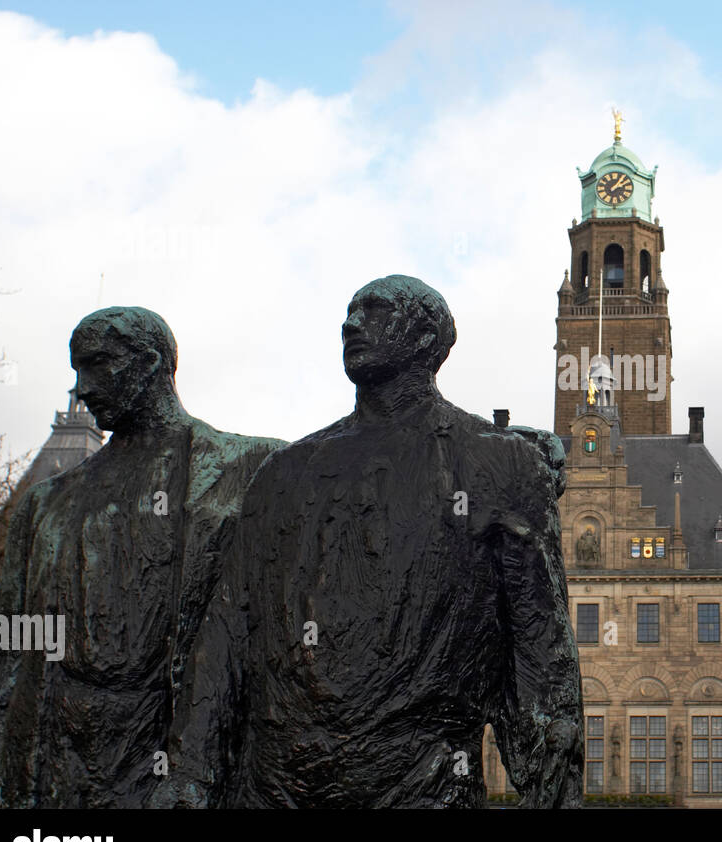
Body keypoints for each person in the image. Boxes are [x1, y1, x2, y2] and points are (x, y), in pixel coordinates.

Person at [160, 275, 583, 808]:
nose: (352, 324)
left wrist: (553, 791)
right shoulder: (284, 473)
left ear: (428, 340)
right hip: (274, 783)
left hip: (419, 784)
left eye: (376, 311)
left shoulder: (499, 464)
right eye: (350, 313)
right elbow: (225, 629)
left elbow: (542, 651)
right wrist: (192, 770)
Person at [0, 307, 283, 807]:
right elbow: (5, 659)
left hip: (177, 764)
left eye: (96, 365)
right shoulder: (45, 502)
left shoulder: (252, 469)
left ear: (151, 364)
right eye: (76, 371)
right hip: (54, 767)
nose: (83, 388)